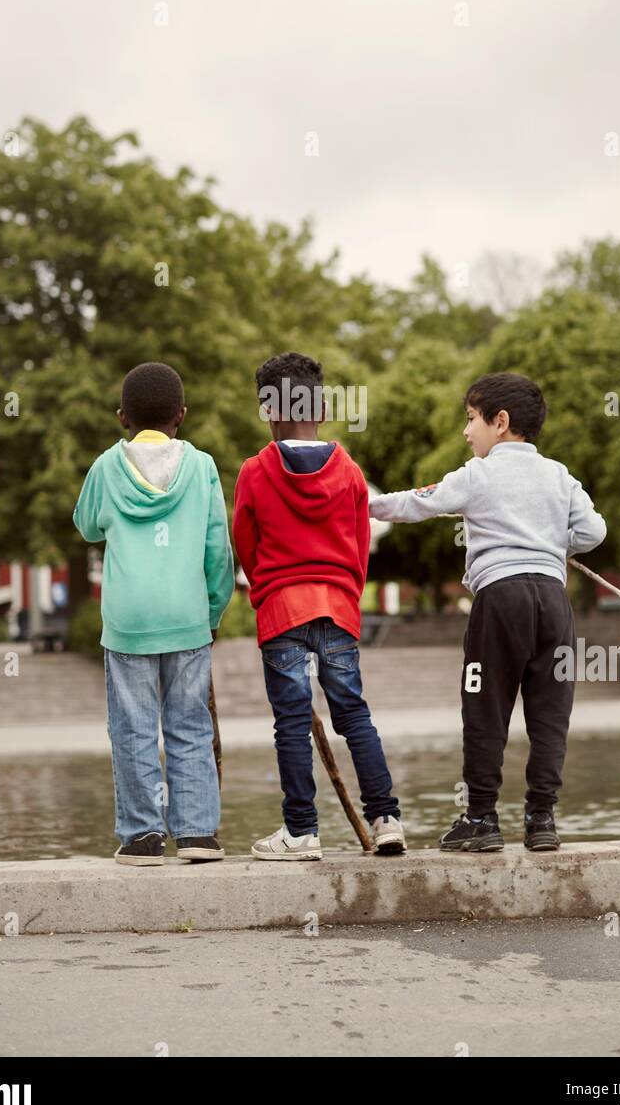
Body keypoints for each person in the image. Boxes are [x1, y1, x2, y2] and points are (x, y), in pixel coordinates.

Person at [369, 371, 606, 854]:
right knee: (550, 712)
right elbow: (593, 533)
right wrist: (549, 540)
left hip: (501, 599)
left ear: (501, 422)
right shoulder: (560, 475)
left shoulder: (476, 474)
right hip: (553, 602)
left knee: (485, 709)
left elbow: (417, 504)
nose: (466, 430)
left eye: (471, 419)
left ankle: (480, 818)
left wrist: (362, 504)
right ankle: (541, 819)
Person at [232, 351, 405, 860]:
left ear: (268, 409)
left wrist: (265, 591)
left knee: (290, 722)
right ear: (323, 406)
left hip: (282, 611)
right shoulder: (348, 469)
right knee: (353, 714)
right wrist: (347, 592)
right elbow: (358, 540)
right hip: (337, 608)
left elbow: (246, 543)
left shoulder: (255, 471)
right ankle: (386, 818)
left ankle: (302, 831)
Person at [73, 362, 235, 865]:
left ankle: (142, 837)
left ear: (122, 417)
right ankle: (196, 835)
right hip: (187, 617)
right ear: (181, 415)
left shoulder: (105, 466)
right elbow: (217, 552)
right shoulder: (203, 466)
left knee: (133, 727)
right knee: (189, 724)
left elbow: (86, 527)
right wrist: (211, 613)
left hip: (128, 623)